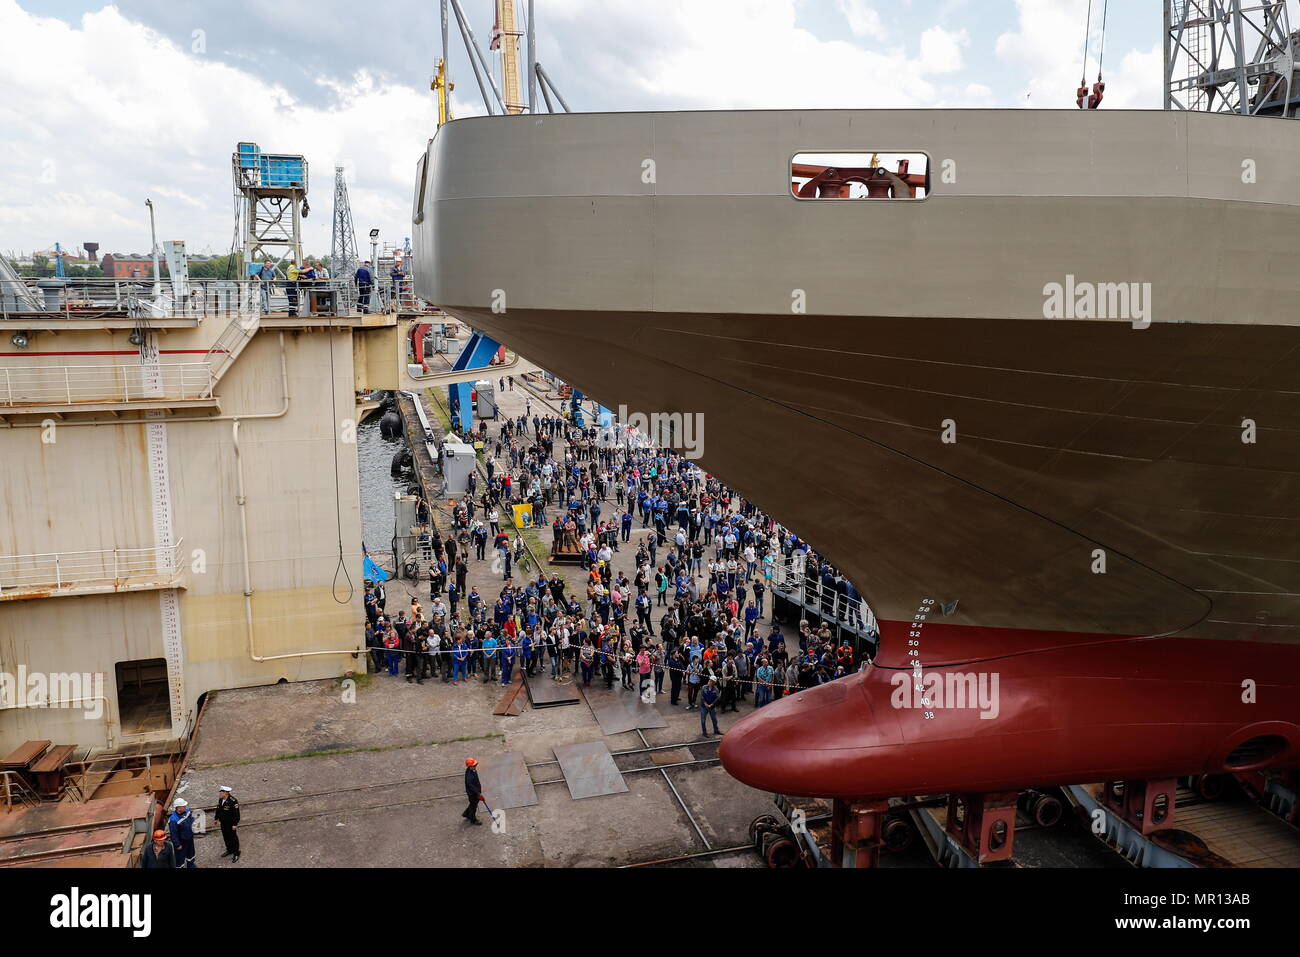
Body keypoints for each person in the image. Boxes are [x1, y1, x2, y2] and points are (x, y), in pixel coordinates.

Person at [215, 785, 241, 862]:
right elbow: (218, 809)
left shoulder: (233, 801)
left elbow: (237, 814)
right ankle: (229, 850)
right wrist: (216, 818)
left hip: (231, 824)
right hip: (223, 822)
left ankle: (236, 853)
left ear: (226, 793)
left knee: (233, 838)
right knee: (225, 836)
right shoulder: (221, 799)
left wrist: (235, 824)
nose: (220, 794)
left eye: (221, 792)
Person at [168, 797, 196, 868]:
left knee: (191, 854)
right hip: (182, 842)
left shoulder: (187, 811)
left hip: (189, 838)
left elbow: (191, 818)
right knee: (180, 858)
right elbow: (173, 834)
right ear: (178, 808)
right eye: (183, 806)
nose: (185, 807)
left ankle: (191, 865)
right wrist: (177, 845)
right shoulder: (173, 820)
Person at [463, 757, 484, 825]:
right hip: (473, 794)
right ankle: (473, 819)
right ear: (470, 766)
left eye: (475, 765)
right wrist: (478, 794)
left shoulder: (472, 770)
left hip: (475, 792)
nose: (475, 766)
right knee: (474, 806)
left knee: (472, 804)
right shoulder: (469, 776)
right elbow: (471, 787)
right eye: (474, 765)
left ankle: (466, 813)